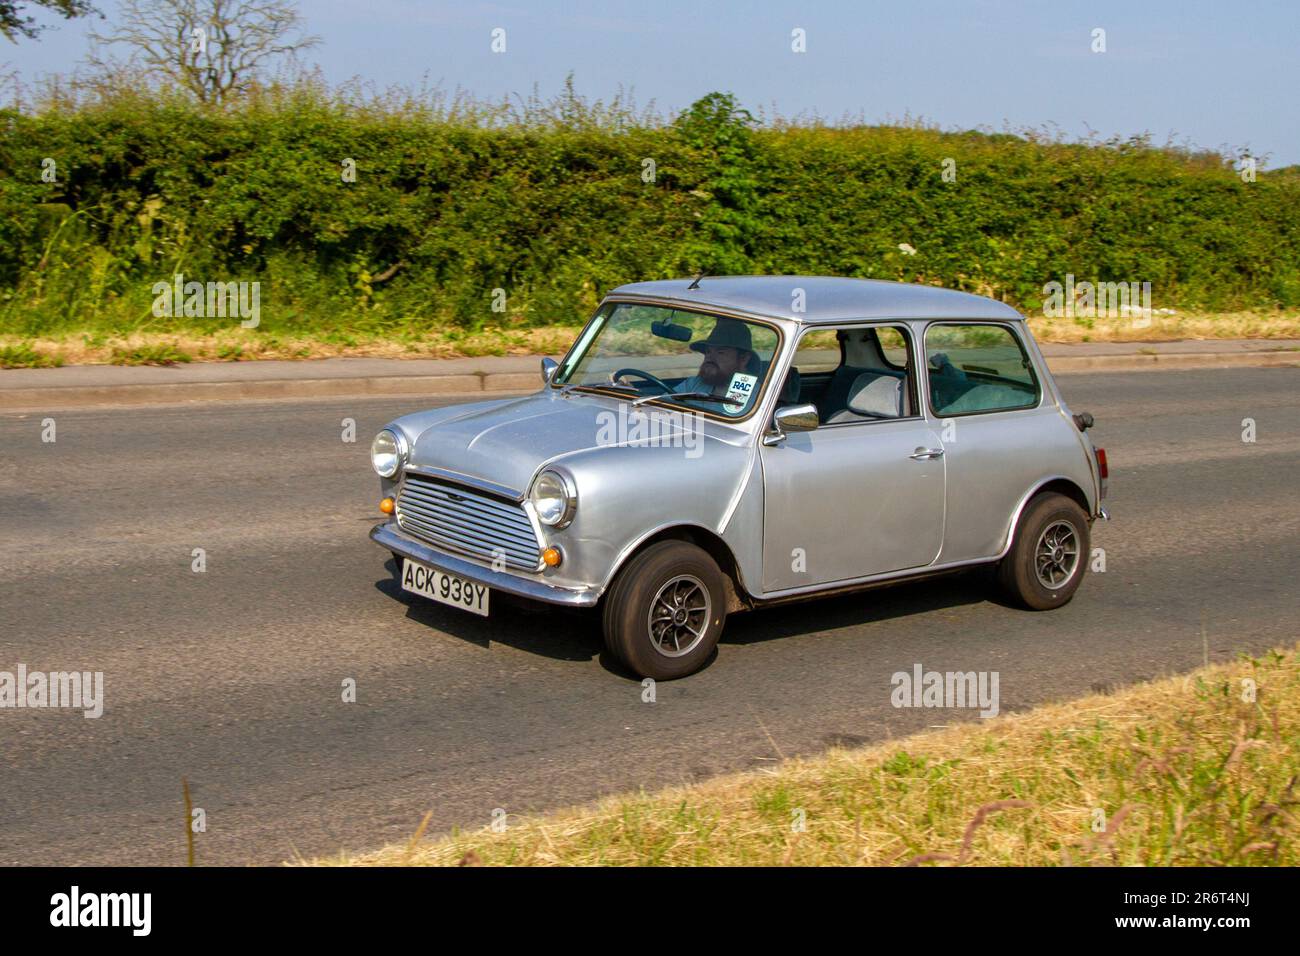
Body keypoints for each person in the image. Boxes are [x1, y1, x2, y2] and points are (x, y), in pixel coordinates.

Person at [676, 318, 757, 397]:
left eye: (720, 352)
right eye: (708, 351)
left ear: (744, 359)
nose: (710, 357)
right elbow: (666, 400)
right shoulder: (695, 382)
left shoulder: (757, 396)